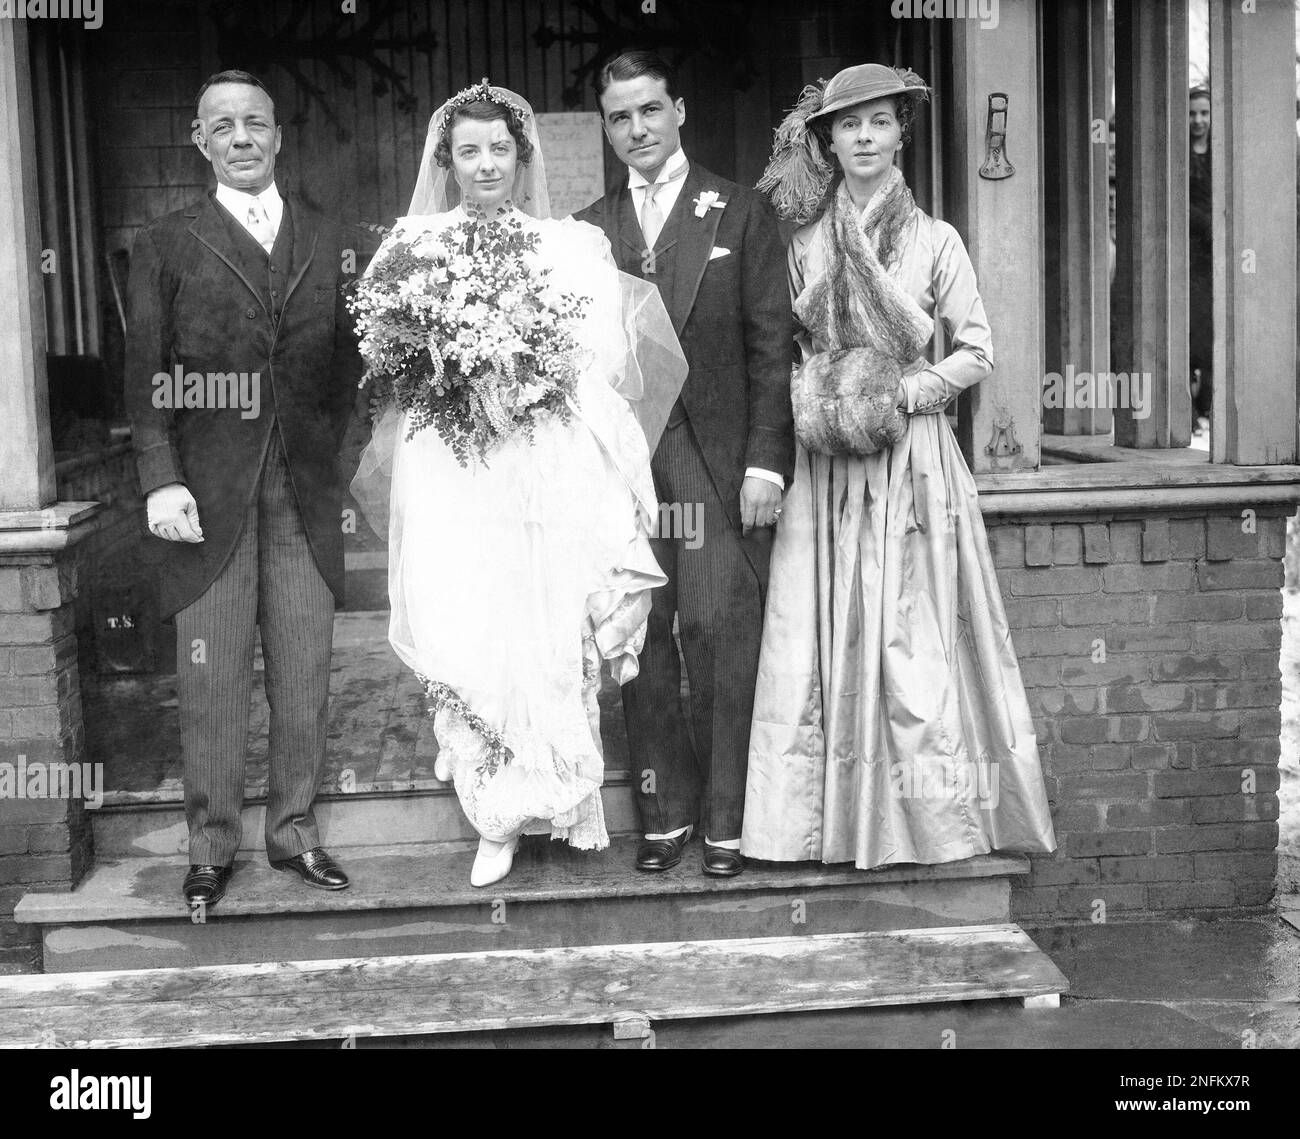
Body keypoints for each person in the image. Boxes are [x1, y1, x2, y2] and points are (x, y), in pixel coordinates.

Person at [352, 81, 687, 887]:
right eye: (468, 150)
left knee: (542, 626)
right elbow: (391, 365)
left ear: (522, 155)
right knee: (470, 621)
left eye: (499, 148)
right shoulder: (415, 248)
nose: (485, 163)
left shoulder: (566, 247)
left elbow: (602, 362)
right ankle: (492, 813)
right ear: (448, 160)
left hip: (540, 467)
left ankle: (559, 804)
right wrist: (459, 380)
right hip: (457, 472)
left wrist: (527, 382)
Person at [742, 64, 1056, 869]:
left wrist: (901, 391)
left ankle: (925, 822)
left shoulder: (937, 239)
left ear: (901, 133)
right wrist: (826, 397)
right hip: (827, 466)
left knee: (907, 637)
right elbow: (796, 352)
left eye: (880, 123)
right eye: (849, 126)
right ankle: (824, 822)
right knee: (822, 635)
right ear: (828, 140)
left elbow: (979, 350)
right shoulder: (806, 240)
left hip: (909, 460)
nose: (866, 139)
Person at [124, 70, 361, 908]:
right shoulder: (166, 242)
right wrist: (161, 479)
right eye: (222, 125)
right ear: (199, 140)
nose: (241, 137)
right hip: (206, 494)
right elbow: (146, 374)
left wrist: (339, 463)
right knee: (211, 671)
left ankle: (294, 833)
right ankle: (212, 844)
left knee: (304, 665)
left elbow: (351, 375)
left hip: (302, 489)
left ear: (279, 135)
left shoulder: (329, 237)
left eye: (255, 122)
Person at [575, 50, 795, 879]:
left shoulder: (738, 212)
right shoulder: (588, 230)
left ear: (680, 110)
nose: (637, 128)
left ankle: (727, 820)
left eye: (650, 111)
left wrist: (767, 465)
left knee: (717, 630)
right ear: (606, 125)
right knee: (640, 637)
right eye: (620, 116)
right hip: (626, 463)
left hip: (714, 457)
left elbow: (772, 346)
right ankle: (663, 816)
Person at [1188, 86, 1212, 433]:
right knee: (1191, 332)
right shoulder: (1181, 155)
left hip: (1216, 258)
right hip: (1189, 256)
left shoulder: (1220, 153)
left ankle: (1207, 402)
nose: (1198, 120)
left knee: (1212, 334)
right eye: (1192, 113)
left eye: (1204, 113)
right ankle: (1189, 408)